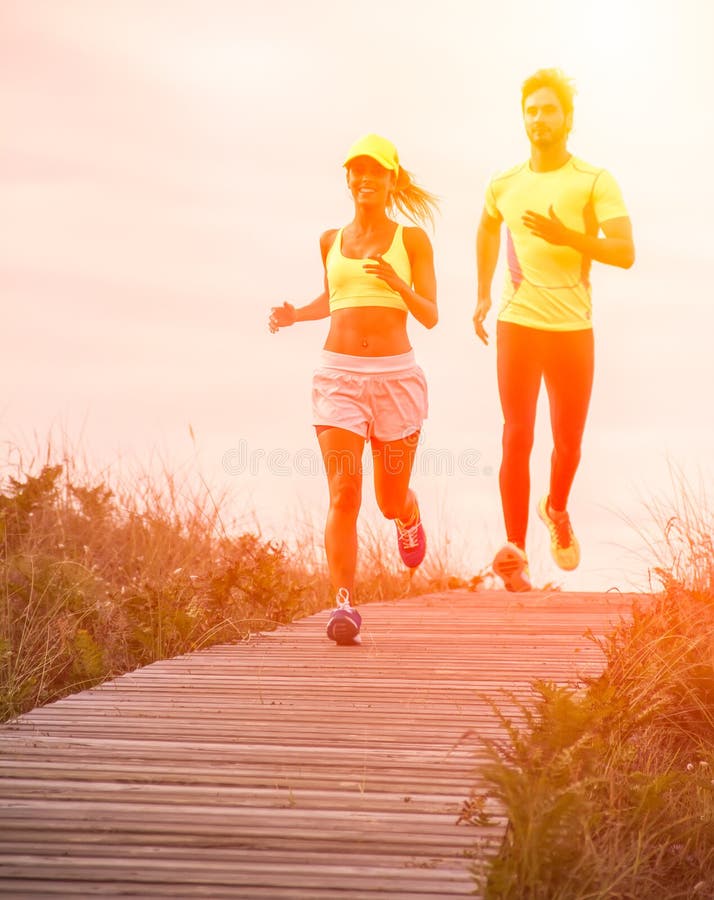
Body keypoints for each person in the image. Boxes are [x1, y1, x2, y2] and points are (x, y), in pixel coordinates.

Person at [269, 134, 438, 643]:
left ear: (391, 179)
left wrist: (397, 282)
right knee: (344, 494)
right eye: (355, 171)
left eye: (374, 171)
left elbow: (430, 314)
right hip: (338, 377)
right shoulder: (329, 240)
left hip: (395, 380)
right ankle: (343, 606)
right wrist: (296, 314)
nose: (363, 179)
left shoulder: (412, 241)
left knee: (386, 501)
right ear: (348, 179)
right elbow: (335, 296)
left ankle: (407, 515)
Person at [473, 68, 635, 592]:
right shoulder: (505, 183)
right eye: (532, 110)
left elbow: (625, 251)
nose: (539, 118)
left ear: (568, 119)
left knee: (568, 443)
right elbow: (487, 226)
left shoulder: (593, 180)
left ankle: (556, 508)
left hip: (572, 329)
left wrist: (569, 235)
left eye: (549, 110)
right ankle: (515, 551)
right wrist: (481, 294)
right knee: (516, 434)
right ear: (524, 118)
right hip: (518, 322)